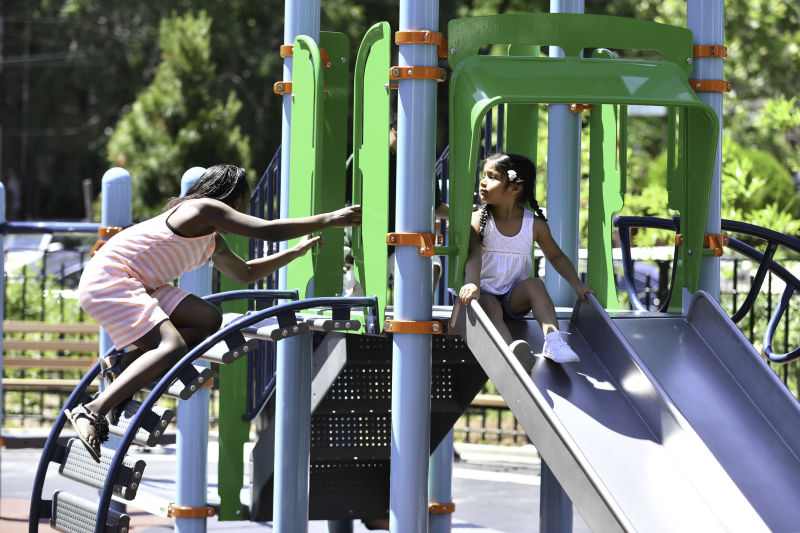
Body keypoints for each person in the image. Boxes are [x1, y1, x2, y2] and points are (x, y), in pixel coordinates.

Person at [67, 164, 362, 461]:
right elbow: (268, 231)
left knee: (207, 319)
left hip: (140, 284)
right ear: (233, 198)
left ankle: (123, 364)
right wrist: (329, 219)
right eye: (244, 204)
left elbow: (245, 273)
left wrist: (294, 253)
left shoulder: (212, 241)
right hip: (111, 279)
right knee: (172, 346)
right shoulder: (201, 208)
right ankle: (91, 410)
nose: (244, 211)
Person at [458, 152, 594, 364]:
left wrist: (577, 285)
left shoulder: (534, 224)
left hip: (514, 298)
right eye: (483, 175)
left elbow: (556, 256)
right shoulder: (477, 220)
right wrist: (472, 284)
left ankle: (553, 340)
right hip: (482, 296)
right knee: (490, 304)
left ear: (515, 188)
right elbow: (475, 255)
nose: (483, 182)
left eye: (492, 177)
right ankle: (511, 353)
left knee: (535, 285)